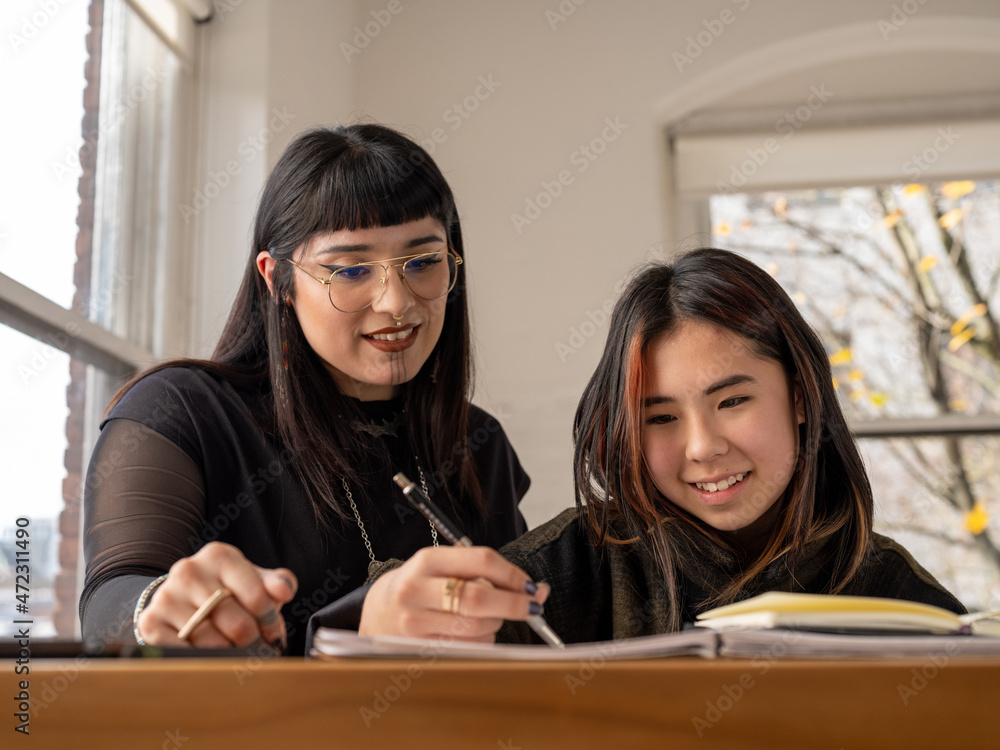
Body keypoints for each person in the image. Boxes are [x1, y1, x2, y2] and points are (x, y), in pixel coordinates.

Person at [354, 248, 964, 645]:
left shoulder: (904, 601)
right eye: (661, 417)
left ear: (801, 397)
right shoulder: (571, 569)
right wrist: (395, 615)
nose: (702, 447)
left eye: (732, 402)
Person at [80, 124, 534, 656]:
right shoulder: (181, 412)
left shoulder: (479, 442)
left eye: (422, 262)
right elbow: (110, 604)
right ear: (278, 281)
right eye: (350, 269)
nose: (396, 303)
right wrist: (159, 603)